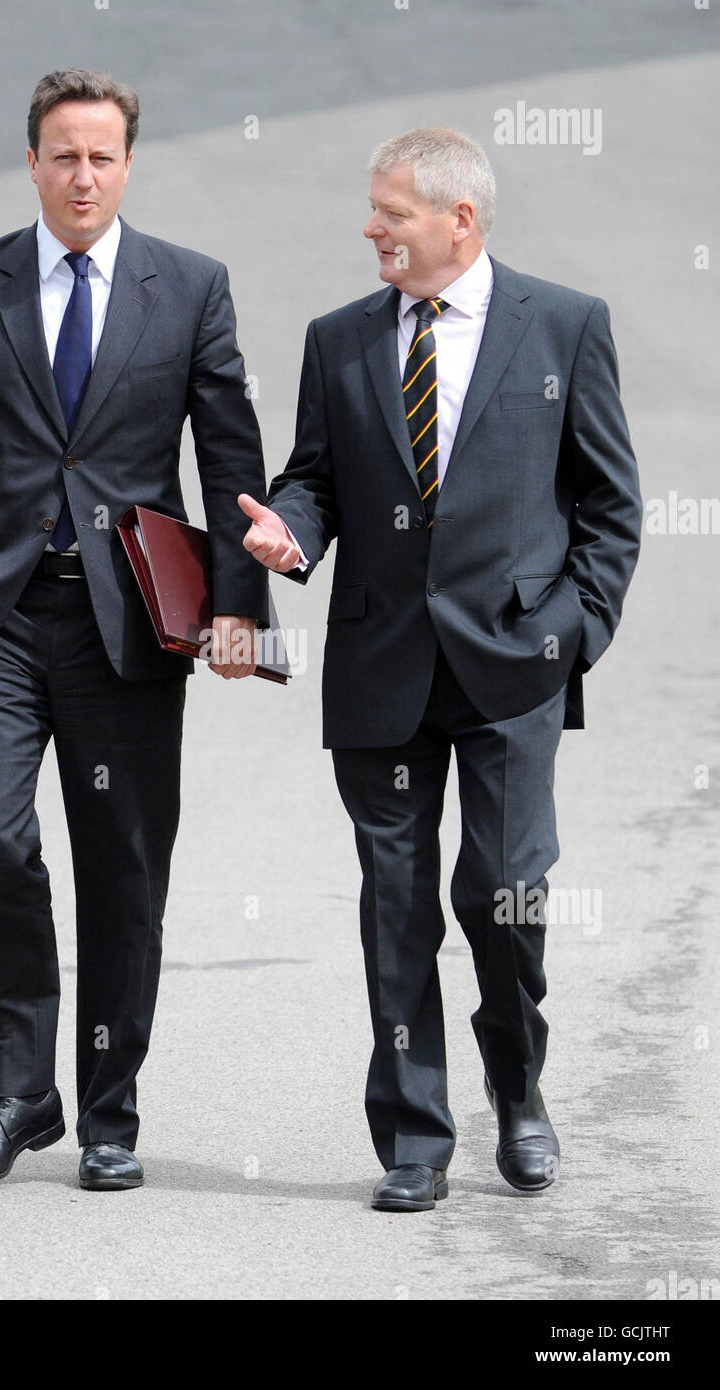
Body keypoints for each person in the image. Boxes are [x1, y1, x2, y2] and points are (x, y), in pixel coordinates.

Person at [239, 127, 642, 1211]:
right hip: (381, 666)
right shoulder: (340, 340)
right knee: (396, 905)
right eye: (372, 208)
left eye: (391, 210)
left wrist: (574, 635)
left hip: (515, 669)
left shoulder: (561, 324)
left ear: (458, 219)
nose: (369, 226)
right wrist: (289, 530)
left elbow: (608, 506)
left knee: (504, 895)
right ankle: (415, 1137)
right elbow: (313, 476)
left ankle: (519, 1093)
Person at [0, 68, 268, 1193]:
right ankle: (16, 1093)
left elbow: (231, 457)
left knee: (123, 872)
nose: (83, 174)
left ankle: (108, 1112)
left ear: (128, 164)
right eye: (63, 153)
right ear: (32, 162)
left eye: (102, 155)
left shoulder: (190, 287)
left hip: (126, 628)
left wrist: (239, 608)